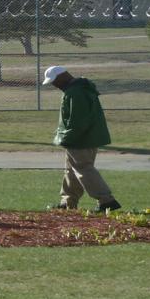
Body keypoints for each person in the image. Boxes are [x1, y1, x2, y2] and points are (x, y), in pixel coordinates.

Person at [43, 65, 121, 214]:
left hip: (80, 139)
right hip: (84, 137)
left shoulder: (75, 92)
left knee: (83, 168)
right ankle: (68, 202)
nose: (54, 85)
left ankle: (106, 201)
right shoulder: (79, 89)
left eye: (54, 81)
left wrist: (67, 137)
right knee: (71, 170)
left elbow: (78, 121)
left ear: (63, 76)